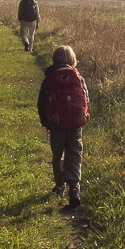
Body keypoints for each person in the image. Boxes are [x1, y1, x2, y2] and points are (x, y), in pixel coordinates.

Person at [38, 45, 89, 207]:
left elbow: (42, 103)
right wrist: (81, 117)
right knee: (74, 152)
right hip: (75, 124)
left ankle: (60, 186)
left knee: (57, 154)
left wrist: (46, 122)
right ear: (72, 60)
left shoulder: (49, 78)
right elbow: (85, 98)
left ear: (54, 59)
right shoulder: (78, 77)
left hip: (56, 124)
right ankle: (74, 188)